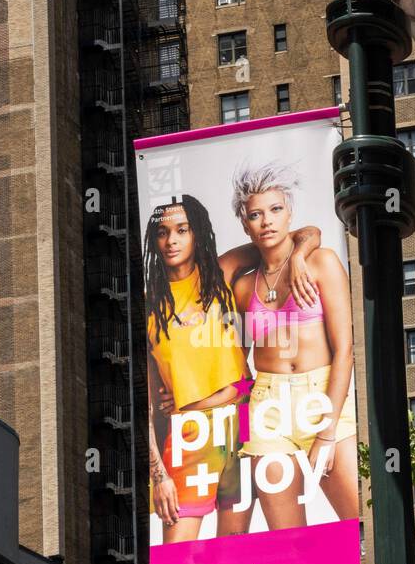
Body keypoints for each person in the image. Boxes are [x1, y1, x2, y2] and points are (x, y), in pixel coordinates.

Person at [145, 193, 321, 543]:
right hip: (190, 433)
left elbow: (306, 234)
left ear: (197, 234)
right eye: (163, 233)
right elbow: (148, 405)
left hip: (242, 420)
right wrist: (158, 475)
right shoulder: (149, 304)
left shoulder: (219, 273)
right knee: (179, 559)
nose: (172, 240)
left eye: (182, 230)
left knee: (233, 549)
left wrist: (299, 256)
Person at [229, 161, 357, 531]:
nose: (267, 221)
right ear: (244, 223)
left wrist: (327, 432)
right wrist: (243, 429)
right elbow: (239, 368)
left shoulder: (321, 263)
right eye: (255, 214)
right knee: (287, 542)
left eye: (275, 209)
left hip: (323, 398)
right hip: (268, 408)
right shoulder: (242, 288)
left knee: (360, 522)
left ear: (290, 214)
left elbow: (345, 350)